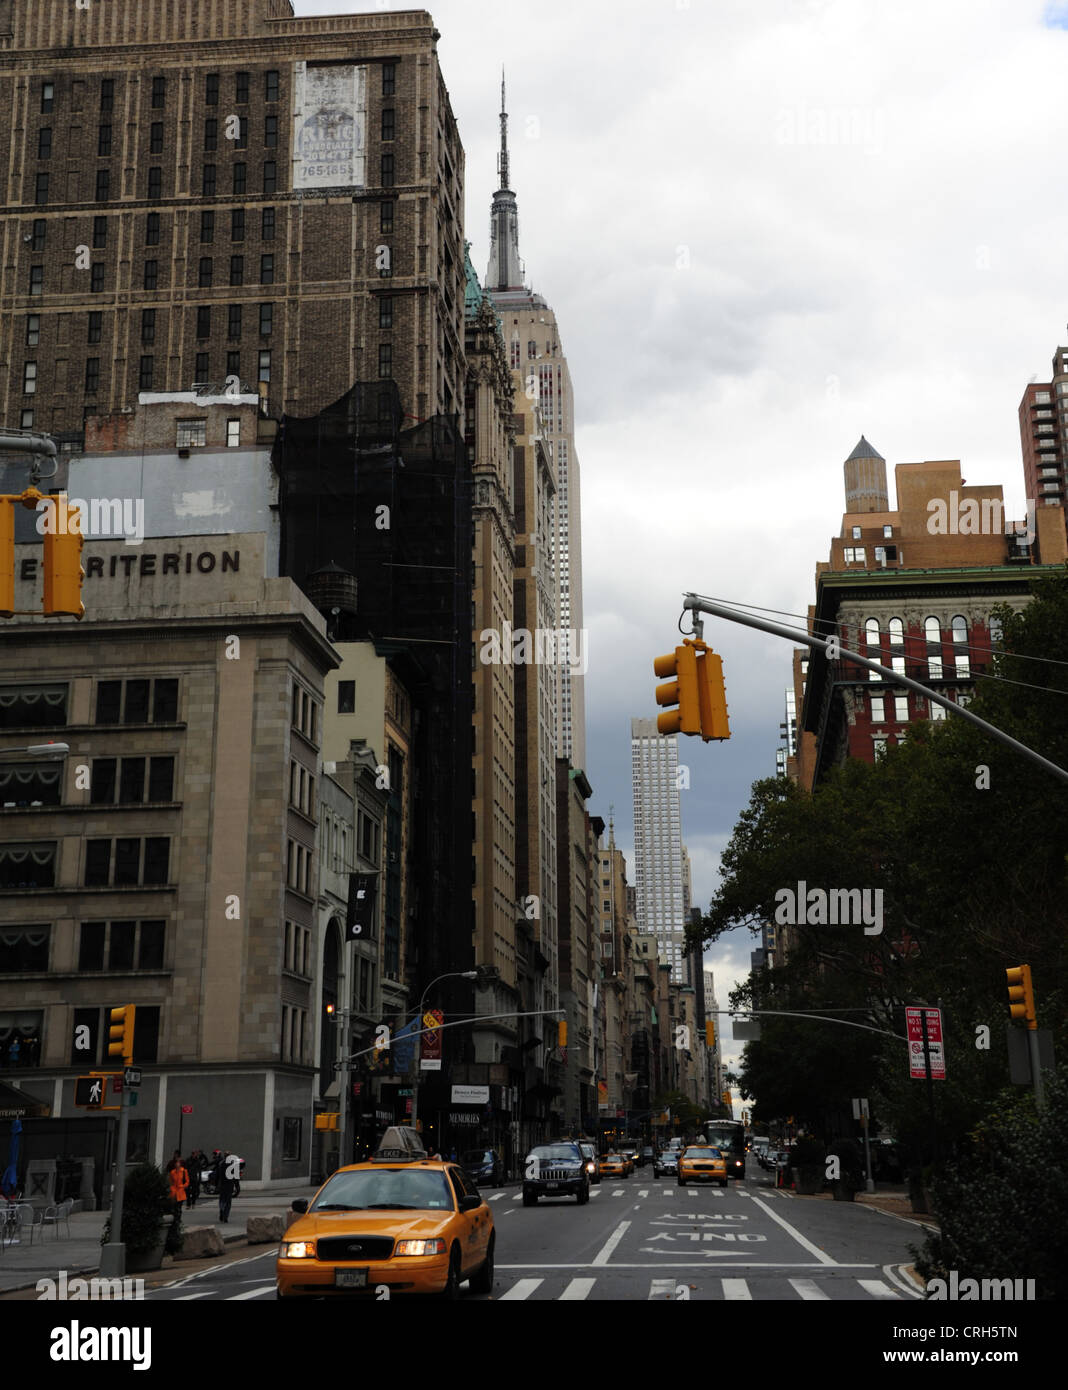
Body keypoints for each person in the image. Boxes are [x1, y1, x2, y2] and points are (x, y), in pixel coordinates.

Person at [216, 1150, 239, 1224]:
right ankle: (225, 1216)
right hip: (229, 1185)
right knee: (228, 1202)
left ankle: (222, 1212)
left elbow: (217, 1175)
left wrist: (217, 1184)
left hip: (222, 1185)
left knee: (222, 1200)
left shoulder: (221, 1164)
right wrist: (237, 1185)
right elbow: (235, 1176)